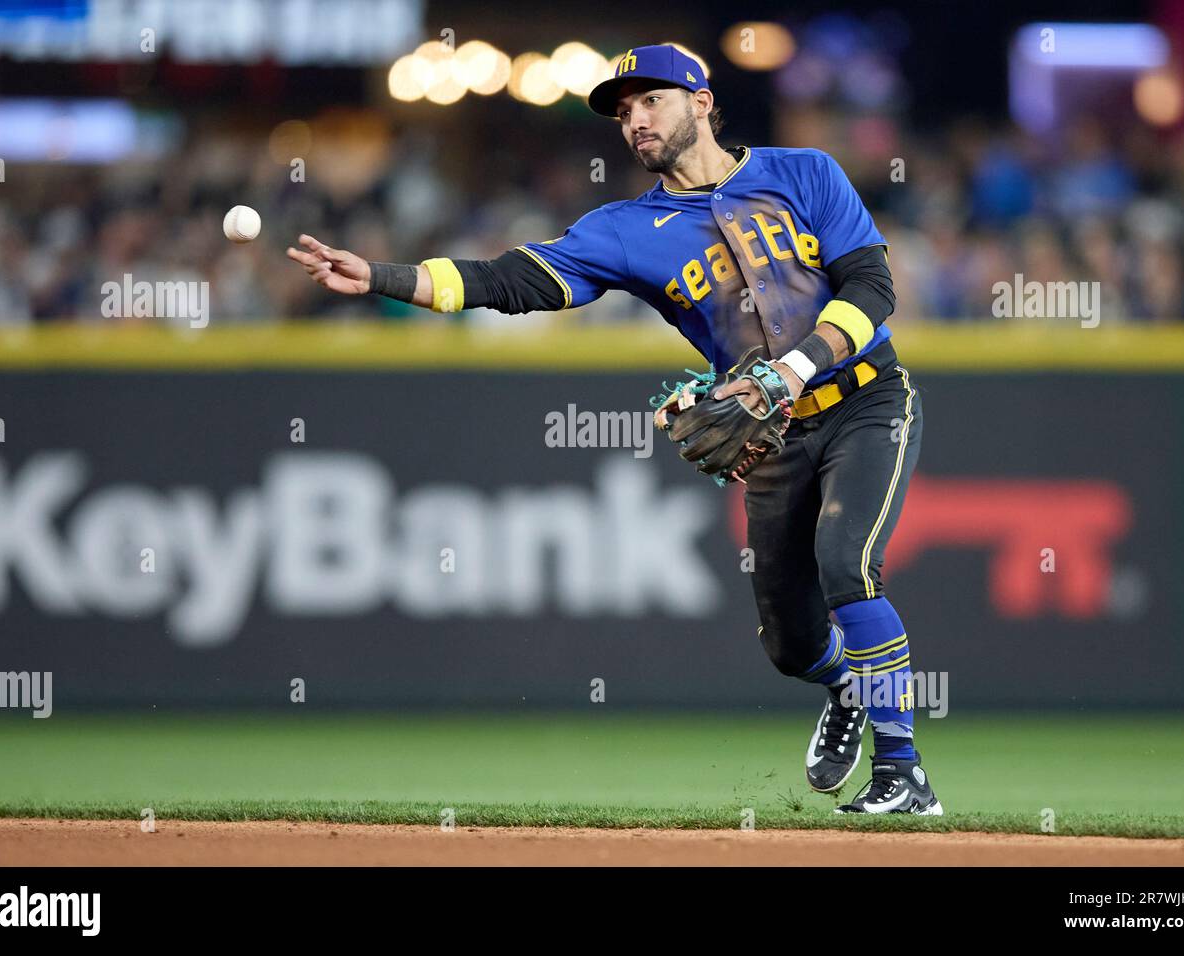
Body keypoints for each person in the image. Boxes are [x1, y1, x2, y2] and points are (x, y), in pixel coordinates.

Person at [287, 43, 940, 814]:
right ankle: (846, 686)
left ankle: (903, 772)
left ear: (701, 101)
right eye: (623, 112)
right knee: (790, 643)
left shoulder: (805, 173)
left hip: (867, 401)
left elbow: (872, 285)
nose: (634, 121)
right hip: (771, 438)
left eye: (650, 101)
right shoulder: (629, 229)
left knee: (847, 563)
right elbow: (510, 281)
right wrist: (383, 278)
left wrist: (788, 372)